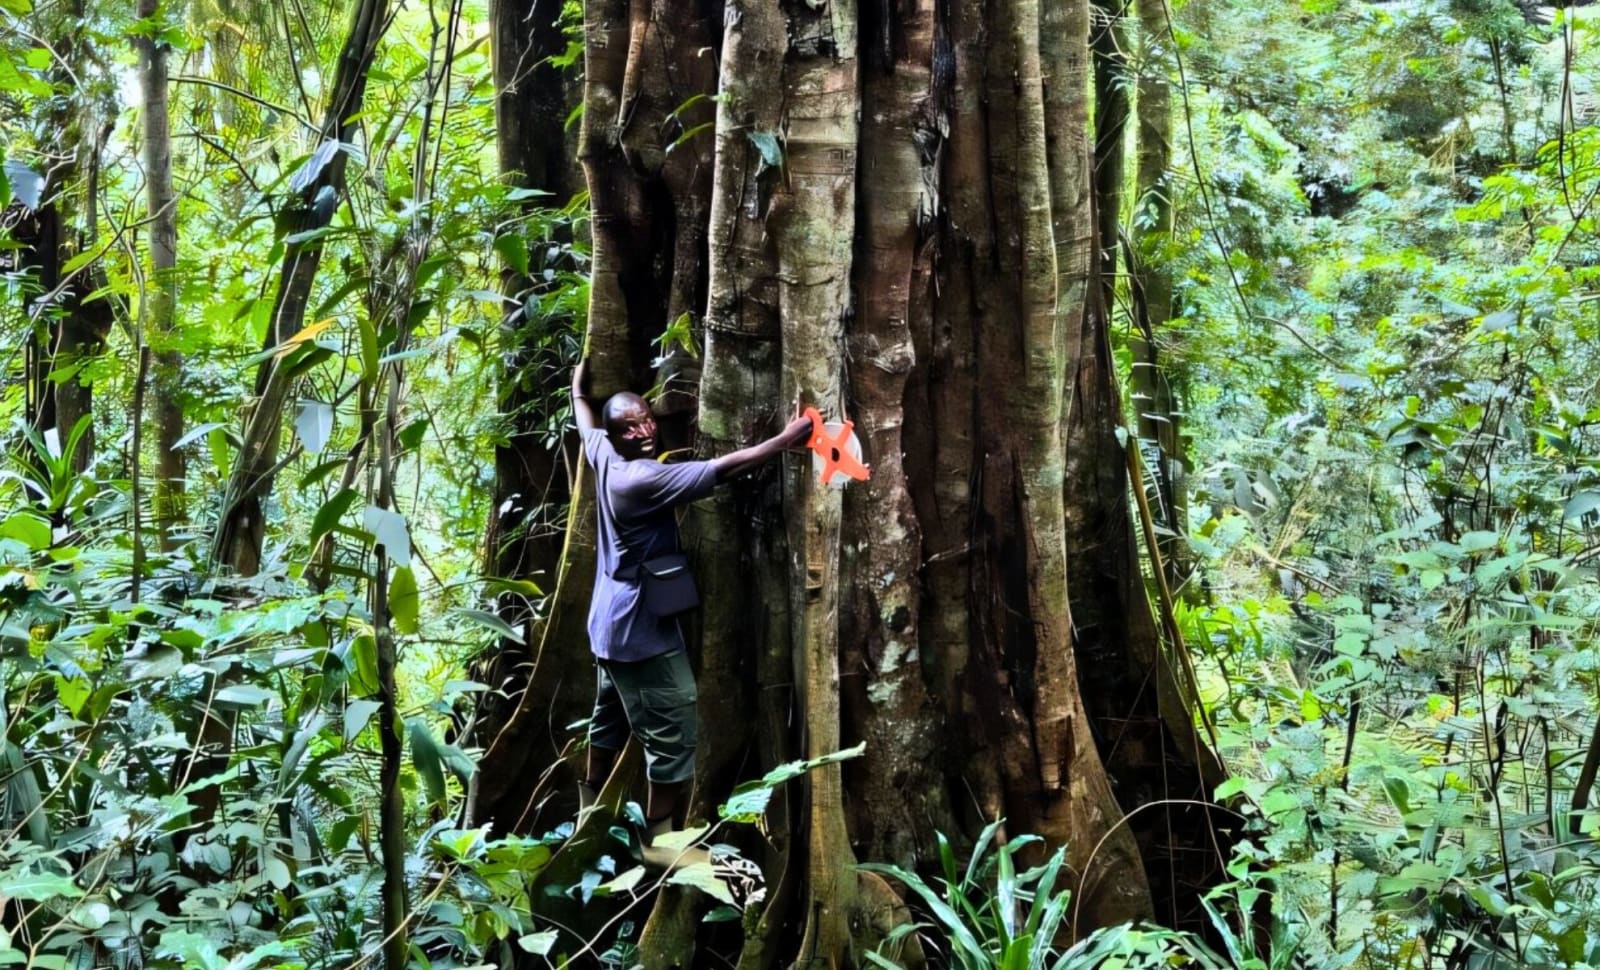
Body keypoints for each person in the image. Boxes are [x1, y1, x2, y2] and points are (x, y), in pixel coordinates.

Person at [569, 358, 810, 869]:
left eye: (646, 419)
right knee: (674, 722)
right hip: (639, 631)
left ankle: (590, 806)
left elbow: (584, 421)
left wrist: (578, 388)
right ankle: (658, 842)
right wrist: (786, 438)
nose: (643, 431)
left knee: (607, 716)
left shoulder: (600, 452)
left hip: (607, 625)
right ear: (617, 436)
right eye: (629, 427)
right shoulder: (637, 479)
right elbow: (725, 468)